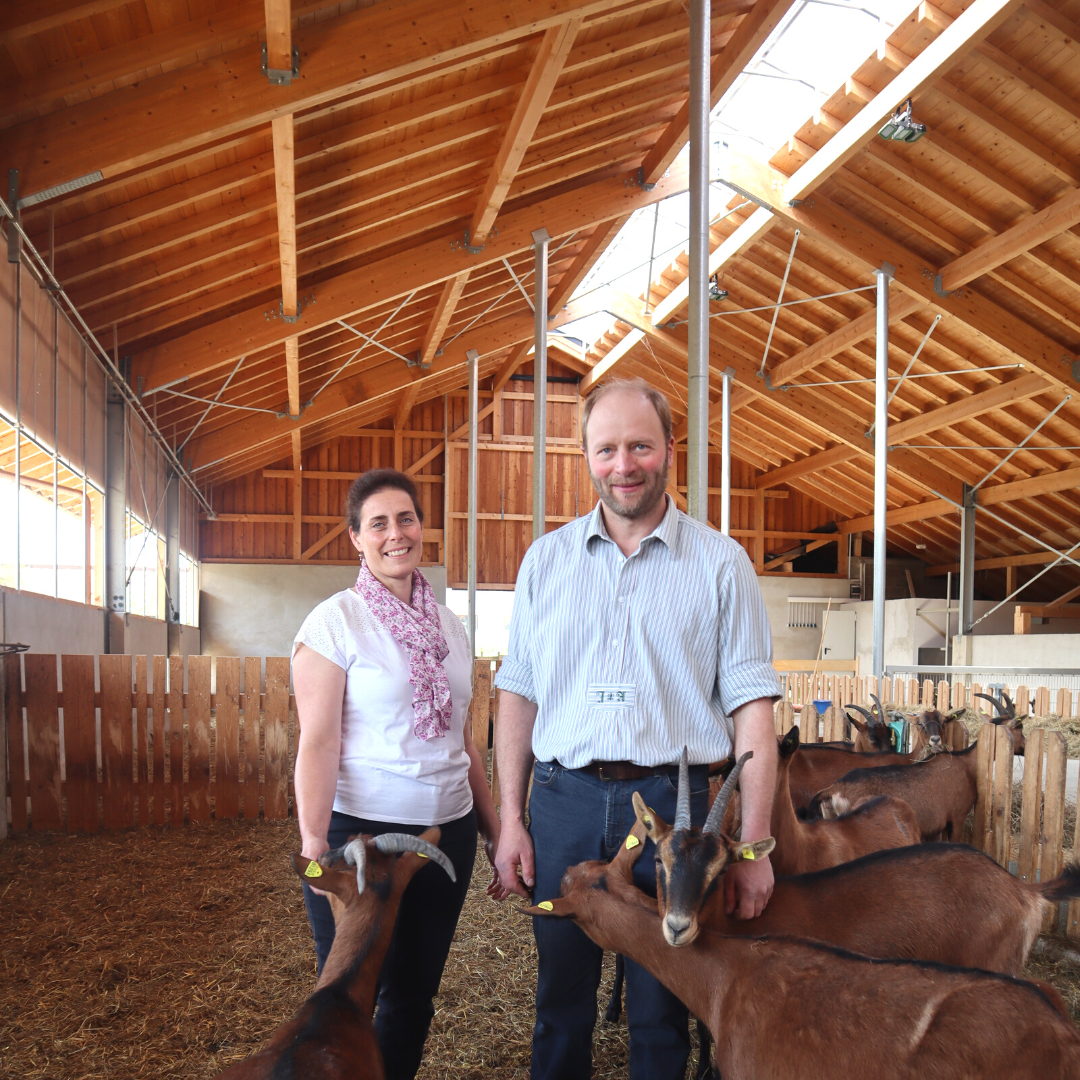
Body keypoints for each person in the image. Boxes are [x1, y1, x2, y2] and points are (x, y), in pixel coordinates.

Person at [492, 377, 781, 1080]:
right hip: (561, 800)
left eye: (641, 446)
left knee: (662, 1007)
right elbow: (518, 695)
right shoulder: (547, 561)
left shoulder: (719, 563)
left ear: (670, 451)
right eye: (608, 448)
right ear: (586, 456)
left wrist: (751, 849)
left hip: (671, 809)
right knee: (560, 995)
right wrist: (511, 819)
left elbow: (753, 711)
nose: (625, 464)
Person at [292, 467, 501, 1080]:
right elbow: (319, 742)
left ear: (421, 527)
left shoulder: (450, 627)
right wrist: (314, 846)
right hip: (363, 838)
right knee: (348, 997)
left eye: (405, 519)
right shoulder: (335, 623)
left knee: (413, 994)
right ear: (356, 537)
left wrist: (491, 831)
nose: (395, 534)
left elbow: (464, 742)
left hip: (446, 833)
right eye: (377, 523)